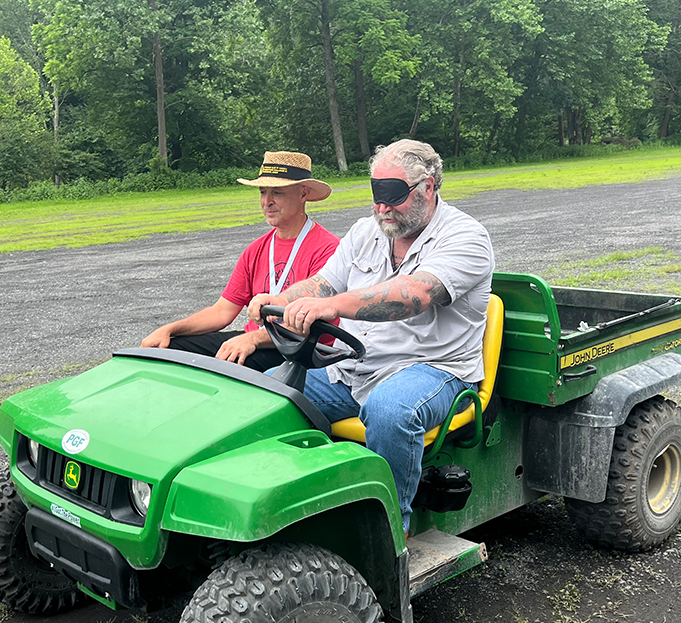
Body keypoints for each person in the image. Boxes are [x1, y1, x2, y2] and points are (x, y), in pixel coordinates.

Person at [248, 139, 493, 536]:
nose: (381, 208)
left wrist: (334, 307)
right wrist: (280, 298)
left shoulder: (466, 237)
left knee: (390, 411)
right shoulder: (367, 231)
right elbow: (324, 284)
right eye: (376, 194)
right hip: (358, 368)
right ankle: (303, 512)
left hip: (434, 369)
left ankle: (391, 533)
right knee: (272, 394)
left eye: (393, 196)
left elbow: (414, 295)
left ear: (427, 188)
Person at [140, 151, 341, 372]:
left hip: (303, 350)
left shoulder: (328, 249)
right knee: (169, 350)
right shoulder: (255, 250)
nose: (267, 202)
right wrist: (170, 329)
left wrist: (252, 340)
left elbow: (305, 325)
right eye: (263, 192)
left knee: (228, 367)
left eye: (277, 192)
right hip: (257, 340)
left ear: (303, 193)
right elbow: (222, 312)